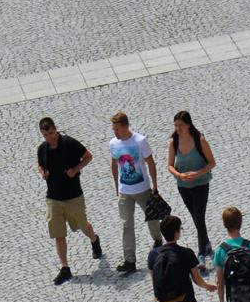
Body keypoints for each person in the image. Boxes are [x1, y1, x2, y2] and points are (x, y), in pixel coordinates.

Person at [37, 117, 103, 285]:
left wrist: (75, 169)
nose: (49, 137)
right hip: (53, 197)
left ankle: (94, 239)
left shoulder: (69, 143)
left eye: (51, 133)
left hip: (73, 196)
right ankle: (65, 268)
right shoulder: (42, 149)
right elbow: (40, 165)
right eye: (45, 135)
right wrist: (43, 172)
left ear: (55, 129)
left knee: (83, 226)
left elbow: (88, 156)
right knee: (58, 233)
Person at [107, 110, 161, 273]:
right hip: (125, 190)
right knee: (126, 225)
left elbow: (150, 163)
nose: (114, 132)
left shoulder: (140, 141)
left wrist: (155, 186)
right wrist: (116, 185)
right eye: (113, 129)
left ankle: (158, 240)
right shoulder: (113, 143)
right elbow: (114, 163)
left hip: (142, 188)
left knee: (152, 218)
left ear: (125, 127)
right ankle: (129, 260)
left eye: (117, 128)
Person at [166, 109, 216, 260]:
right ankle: (206, 244)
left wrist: (198, 173)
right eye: (175, 125)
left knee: (199, 217)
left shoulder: (200, 140)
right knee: (195, 217)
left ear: (188, 125)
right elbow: (169, 166)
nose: (178, 129)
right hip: (183, 186)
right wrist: (179, 175)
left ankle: (202, 252)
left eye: (180, 125)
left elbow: (212, 163)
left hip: (200, 184)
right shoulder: (173, 141)